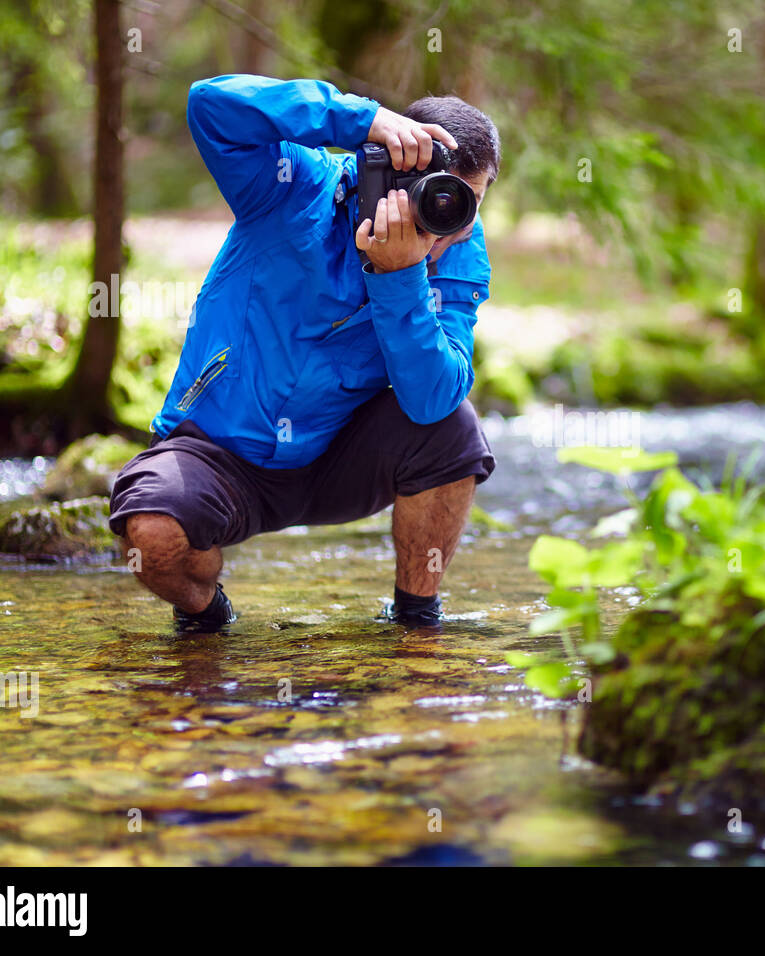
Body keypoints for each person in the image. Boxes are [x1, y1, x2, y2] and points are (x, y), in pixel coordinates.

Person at [107, 74, 501, 631]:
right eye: (436, 191)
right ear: (393, 164)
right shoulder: (293, 185)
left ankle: (415, 622)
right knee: (152, 537)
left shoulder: (460, 250)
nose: (447, 218)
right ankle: (207, 616)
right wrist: (361, 119)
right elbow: (210, 105)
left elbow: (433, 398)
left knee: (455, 430)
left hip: (337, 457)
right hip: (220, 450)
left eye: (467, 204)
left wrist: (400, 277)